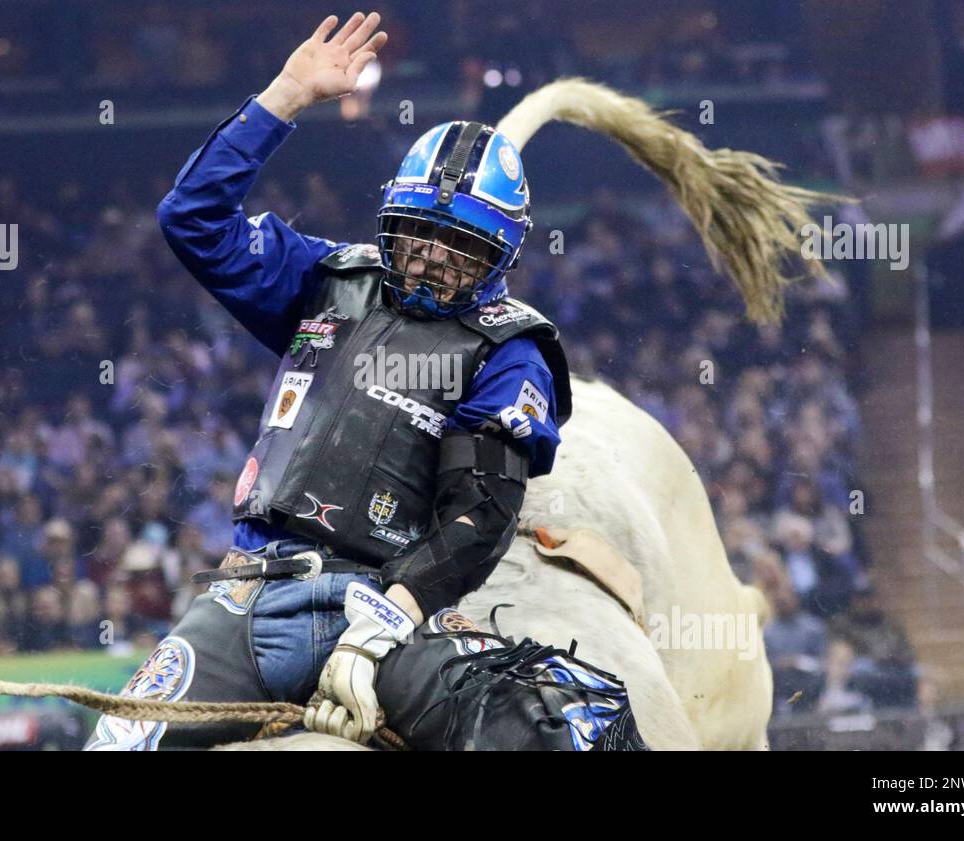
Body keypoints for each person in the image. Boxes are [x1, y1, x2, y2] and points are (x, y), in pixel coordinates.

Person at [86, 12, 645, 752]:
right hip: (251, 598)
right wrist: (284, 97)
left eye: (459, 248)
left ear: (501, 255)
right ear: (389, 221)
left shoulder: (510, 350)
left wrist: (385, 621)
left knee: (570, 732)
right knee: (116, 741)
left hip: (393, 606)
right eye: (419, 233)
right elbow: (193, 219)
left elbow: (479, 515)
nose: (432, 259)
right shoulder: (327, 279)